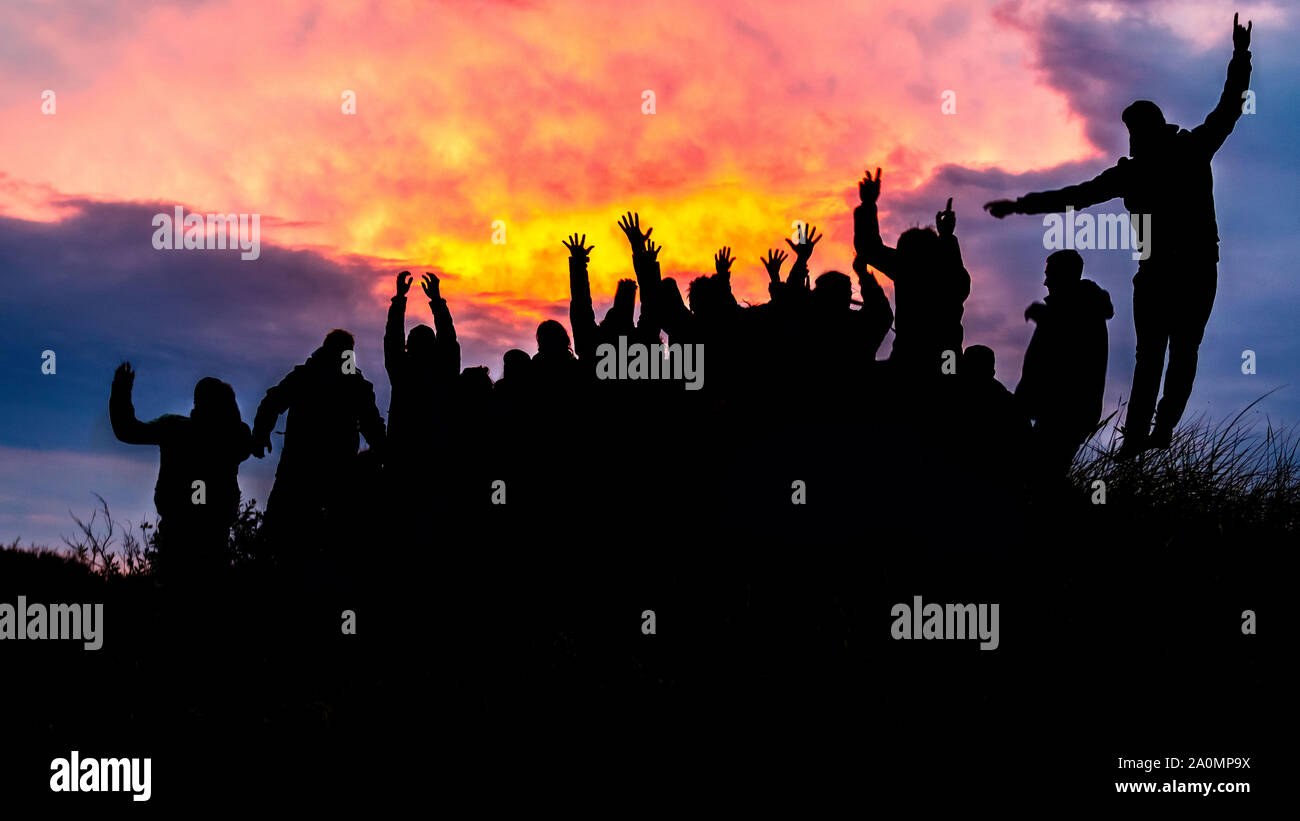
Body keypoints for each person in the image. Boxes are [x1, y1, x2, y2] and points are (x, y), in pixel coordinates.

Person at [985, 14, 1252, 456]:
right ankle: (1138, 440)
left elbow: (1230, 108)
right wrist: (1022, 205)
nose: (1129, 139)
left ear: (1148, 130)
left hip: (1193, 270)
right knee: (1156, 358)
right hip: (1160, 274)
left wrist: (1240, 57)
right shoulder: (1137, 171)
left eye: (1134, 131)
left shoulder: (1188, 150)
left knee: (1179, 353)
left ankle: (1158, 431)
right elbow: (1079, 195)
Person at [252, 329, 386, 558]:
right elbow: (372, 426)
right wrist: (260, 435)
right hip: (319, 470)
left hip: (309, 469)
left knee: (290, 538)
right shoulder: (348, 384)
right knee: (307, 538)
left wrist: (261, 435)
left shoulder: (311, 378)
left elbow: (272, 402)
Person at [109, 363, 251, 579]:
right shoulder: (233, 437)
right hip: (206, 537)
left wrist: (121, 391)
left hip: (183, 535)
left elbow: (127, 431)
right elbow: (128, 431)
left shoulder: (175, 428)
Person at [856, 169, 971, 377]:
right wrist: (946, 238)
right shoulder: (952, 276)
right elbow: (955, 274)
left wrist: (868, 205)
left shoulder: (907, 268)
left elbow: (869, 249)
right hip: (945, 360)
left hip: (910, 361)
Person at [1016, 250, 1114, 476]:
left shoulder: (1081, 309)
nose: (1045, 281)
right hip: (1058, 413)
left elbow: (1070, 344)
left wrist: (1045, 316)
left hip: (1064, 415)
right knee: (1042, 474)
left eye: (1050, 275)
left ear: (1064, 275)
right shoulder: (1073, 308)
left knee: (1042, 476)